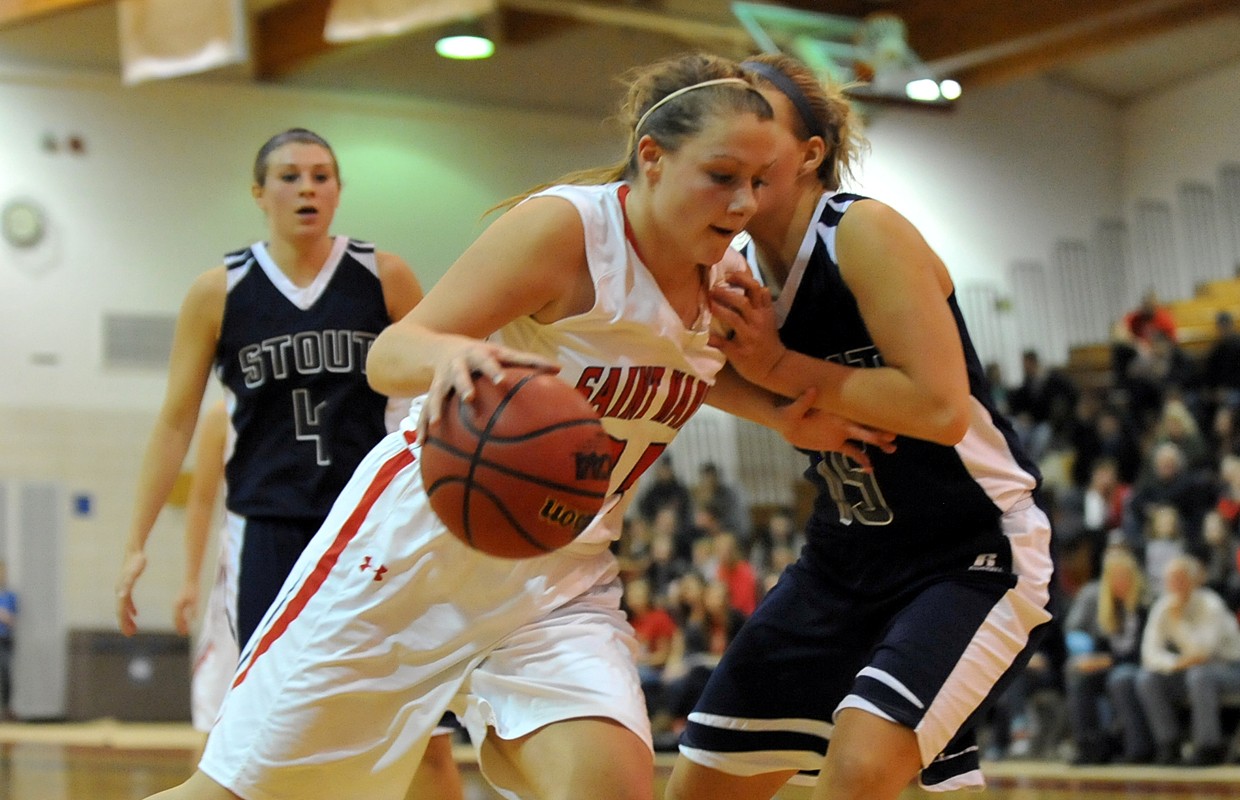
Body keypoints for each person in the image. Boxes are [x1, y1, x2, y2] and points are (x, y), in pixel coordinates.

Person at [143, 53, 890, 800]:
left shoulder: (722, 275)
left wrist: (782, 416)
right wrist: (458, 353)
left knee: (609, 787)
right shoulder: (569, 230)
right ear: (653, 159)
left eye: (760, 183)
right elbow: (391, 354)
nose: (743, 204)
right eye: (722, 176)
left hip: (558, 577)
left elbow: (682, 367)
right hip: (416, 558)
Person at [666, 53, 1055, 800]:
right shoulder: (732, 265)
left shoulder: (863, 232)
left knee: (859, 775)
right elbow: (693, 368)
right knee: (700, 790)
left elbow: (940, 408)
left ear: (810, 154)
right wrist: (782, 414)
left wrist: (782, 370)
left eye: (761, 118)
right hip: (842, 558)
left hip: (969, 550)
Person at [110, 127, 462, 798]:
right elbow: (176, 420)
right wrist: (135, 542)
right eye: (291, 176)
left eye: (322, 175)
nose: (308, 188)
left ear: (338, 190)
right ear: (258, 192)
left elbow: (438, 387)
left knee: (422, 740)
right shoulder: (219, 292)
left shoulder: (384, 276)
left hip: (371, 528)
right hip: (268, 531)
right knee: (264, 742)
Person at [176, 401, 466, 797]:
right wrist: (189, 579)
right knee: (224, 735)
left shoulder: (361, 405)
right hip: (252, 570)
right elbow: (199, 499)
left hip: (350, 563)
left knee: (423, 739)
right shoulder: (220, 416)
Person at [1136, 554, 1240, 765]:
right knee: (1147, 679)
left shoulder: (1211, 604)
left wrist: (1177, 623)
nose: (1175, 585)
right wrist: (1174, 663)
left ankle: (1208, 746)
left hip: (1229, 668)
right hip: (1188, 669)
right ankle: (1169, 744)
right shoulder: (1163, 607)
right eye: (1171, 580)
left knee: (1199, 675)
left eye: (1181, 579)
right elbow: (1149, 653)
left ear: (1194, 581)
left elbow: (1203, 652)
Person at [1062, 546, 1153, 764]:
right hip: (1115, 664)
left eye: (1124, 576)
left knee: (1119, 678)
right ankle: (1090, 745)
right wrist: (1092, 660)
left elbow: (1142, 652)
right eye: (1114, 577)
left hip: (1139, 665)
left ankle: (1138, 747)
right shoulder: (1109, 607)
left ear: (1134, 578)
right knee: (1078, 676)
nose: (1119, 582)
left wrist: (1107, 660)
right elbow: (1103, 646)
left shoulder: (1144, 606)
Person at [0, 560, 16, 721]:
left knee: (5, 673)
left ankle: (6, 708)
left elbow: (11, 619)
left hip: (4, 639)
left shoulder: (10, 596)